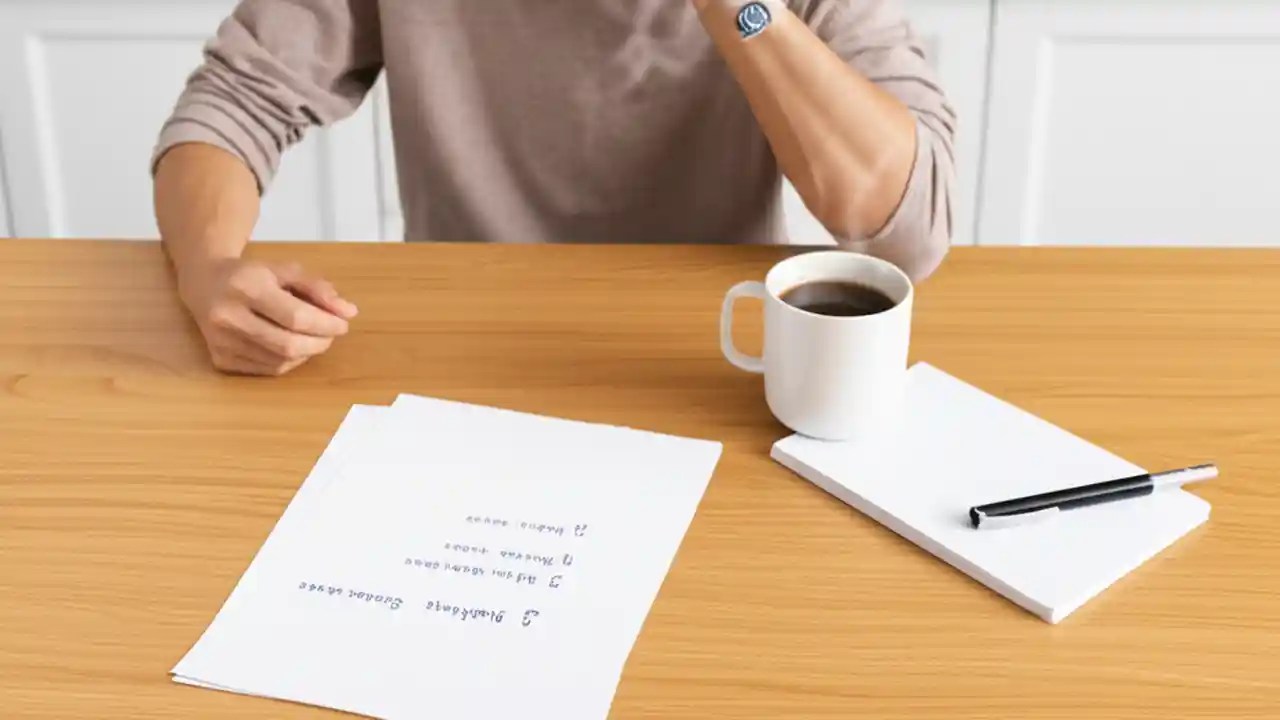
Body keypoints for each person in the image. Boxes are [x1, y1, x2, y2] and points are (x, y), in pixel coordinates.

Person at [153, 0, 956, 376]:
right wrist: (208, 269)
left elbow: (907, 230)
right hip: (467, 354)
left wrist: (739, 7)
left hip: (714, 360)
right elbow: (234, 101)